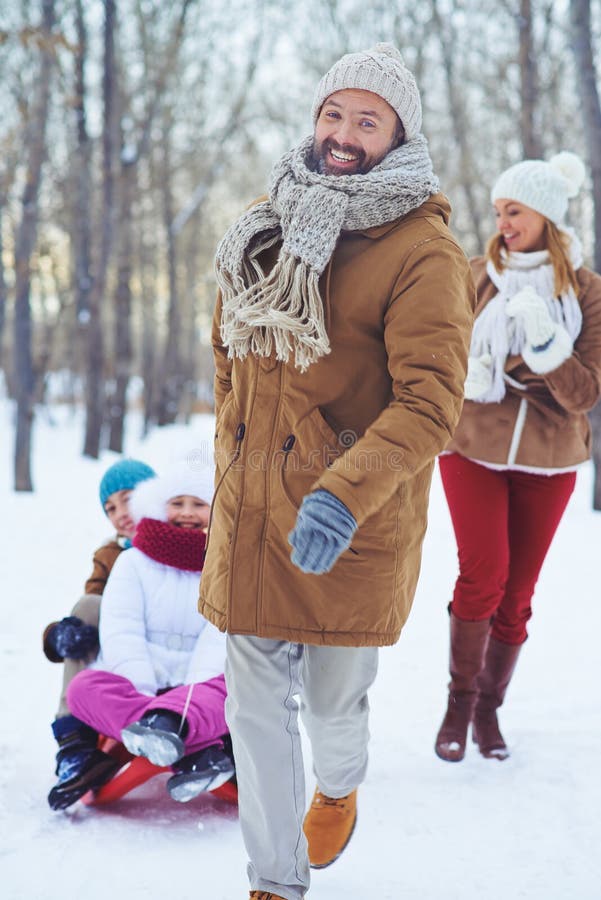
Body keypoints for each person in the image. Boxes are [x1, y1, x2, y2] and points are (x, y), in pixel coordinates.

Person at [198, 43, 474, 900]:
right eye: (333, 114)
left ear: (396, 134)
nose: (344, 134)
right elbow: (229, 350)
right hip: (252, 514)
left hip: (344, 521)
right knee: (254, 714)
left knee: (329, 709)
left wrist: (342, 493)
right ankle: (274, 882)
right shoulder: (266, 217)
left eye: (367, 120)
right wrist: (233, 460)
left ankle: (341, 785)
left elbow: (431, 404)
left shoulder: (423, 250)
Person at [434, 152, 601, 764]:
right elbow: (439, 353)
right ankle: (457, 701)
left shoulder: (586, 292)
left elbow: (586, 393)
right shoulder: (476, 274)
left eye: (516, 211)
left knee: (518, 594)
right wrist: (470, 375)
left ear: (548, 218)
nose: (503, 222)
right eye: (500, 210)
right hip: (472, 443)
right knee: (484, 574)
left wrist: (547, 343)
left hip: (550, 459)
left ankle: (488, 710)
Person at [66, 463, 234, 808]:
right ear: (159, 506)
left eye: (199, 504)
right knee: (83, 688)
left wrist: (187, 696)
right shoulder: (132, 562)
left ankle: (168, 729)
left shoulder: (226, 568)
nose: (187, 513)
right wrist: (142, 687)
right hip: (138, 688)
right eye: (177, 503)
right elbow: (122, 627)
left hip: (197, 692)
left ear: (215, 509)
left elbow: (220, 635)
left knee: (237, 690)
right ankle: (192, 752)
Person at [45, 458, 155, 810]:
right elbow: (92, 602)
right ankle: (75, 743)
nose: (120, 512)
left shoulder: (190, 528)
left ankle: (227, 741)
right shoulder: (111, 554)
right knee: (88, 606)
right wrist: (58, 636)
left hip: (182, 648)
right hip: (125, 648)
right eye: (110, 507)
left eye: (128, 498)